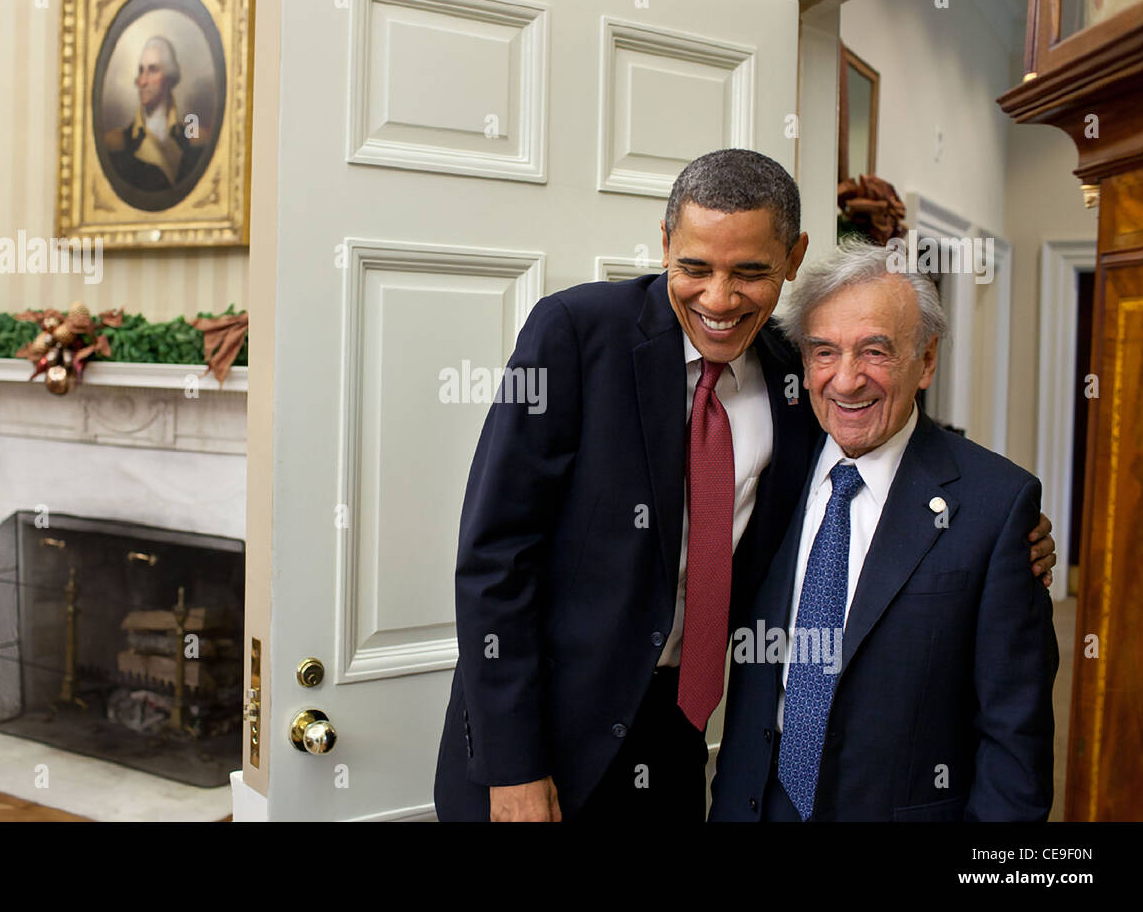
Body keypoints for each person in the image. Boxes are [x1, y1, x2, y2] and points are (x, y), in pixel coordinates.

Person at [433, 150, 1056, 822]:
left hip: (675, 743)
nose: (719, 299)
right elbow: (495, 558)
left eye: (751, 272)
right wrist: (514, 767)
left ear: (794, 256)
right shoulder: (578, 335)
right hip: (538, 739)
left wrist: (992, 520)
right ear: (666, 242)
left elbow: (877, 426)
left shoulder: (796, 374)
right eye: (695, 267)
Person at [709, 239, 1059, 821]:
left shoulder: (996, 507)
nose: (846, 382)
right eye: (824, 352)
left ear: (925, 360)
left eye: (875, 352)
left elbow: (1014, 740)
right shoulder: (767, 472)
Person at [104, 36, 206, 192]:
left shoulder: (194, 139)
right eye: (141, 71)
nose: (142, 81)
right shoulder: (117, 144)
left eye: (152, 70)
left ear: (169, 78)